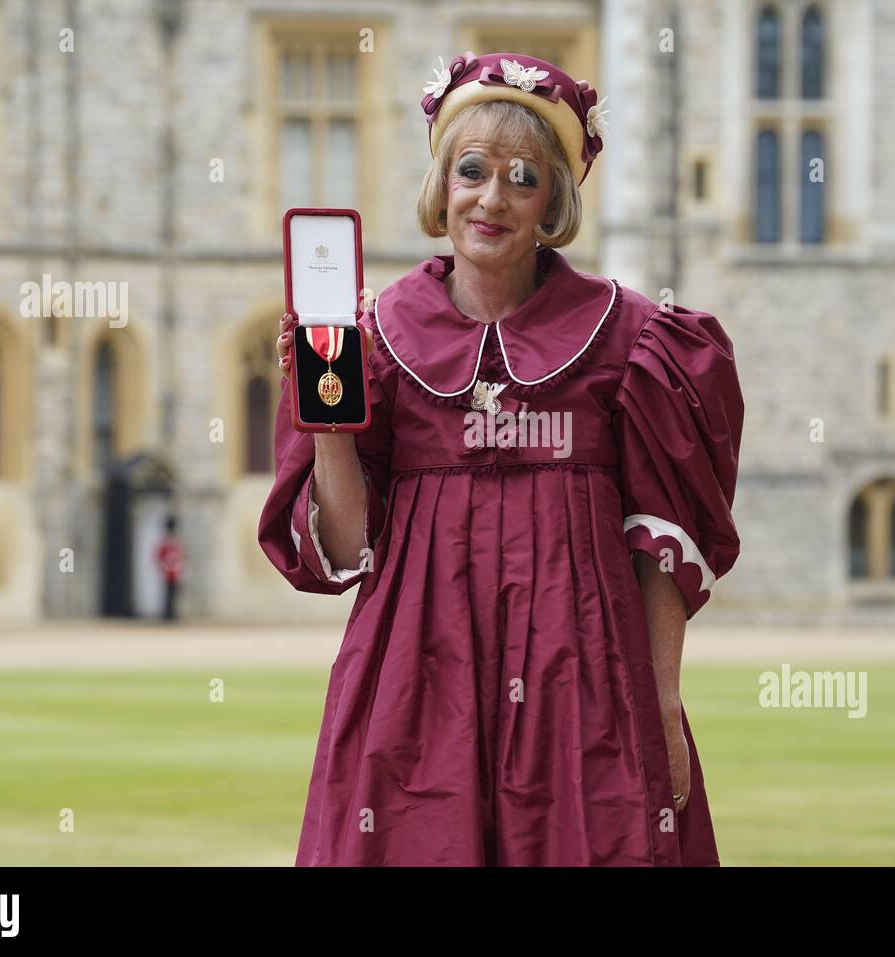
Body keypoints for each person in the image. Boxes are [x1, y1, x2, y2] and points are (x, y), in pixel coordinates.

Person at [259, 51, 744, 866]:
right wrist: (328, 417)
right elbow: (344, 552)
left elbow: (657, 541)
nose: (492, 198)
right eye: (472, 170)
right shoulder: (370, 338)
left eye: (523, 178)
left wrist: (662, 698)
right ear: (442, 183)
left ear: (553, 199)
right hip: (416, 670)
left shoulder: (632, 340)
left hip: (582, 669)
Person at [154, 516, 184, 621]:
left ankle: (171, 613)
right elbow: (159, 558)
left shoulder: (173, 543)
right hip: (169, 572)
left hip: (174, 572)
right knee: (167, 594)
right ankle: (167, 614)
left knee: (173, 594)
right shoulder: (169, 543)